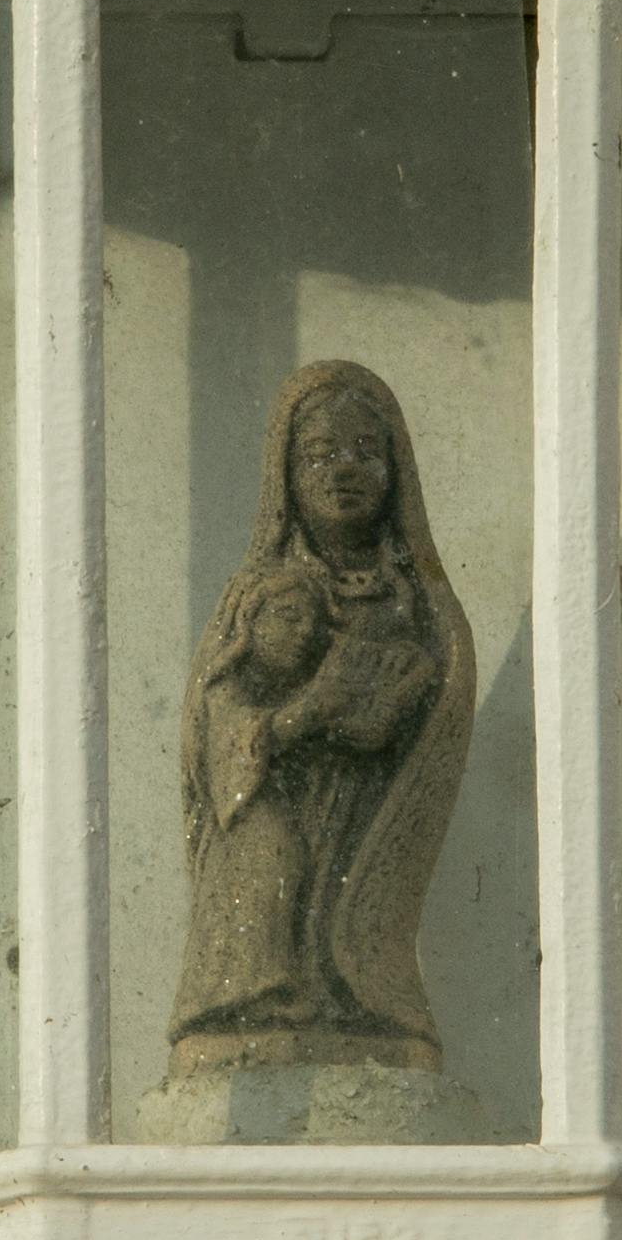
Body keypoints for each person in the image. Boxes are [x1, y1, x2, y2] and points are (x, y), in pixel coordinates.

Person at [165, 359, 476, 1075]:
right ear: (286, 474)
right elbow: (217, 709)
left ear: (396, 471)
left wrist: (395, 700)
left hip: (366, 808)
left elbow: (437, 697)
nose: (344, 469)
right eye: (319, 454)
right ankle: (250, 999)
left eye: (366, 452)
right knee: (274, 875)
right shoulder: (257, 588)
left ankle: (357, 995)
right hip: (280, 794)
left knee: (349, 916)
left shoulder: (414, 600)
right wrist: (295, 716)